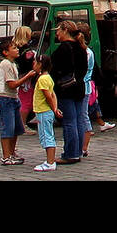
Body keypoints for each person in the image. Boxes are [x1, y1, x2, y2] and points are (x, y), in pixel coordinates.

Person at [50, 19, 87, 163]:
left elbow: (56, 70)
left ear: (65, 30)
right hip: (79, 87)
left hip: (66, 88)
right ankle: (77, 151)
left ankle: (70, 153)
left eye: (58, 30)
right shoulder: (81, 48)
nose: (57, 33)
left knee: (69, 121)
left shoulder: (63, 48)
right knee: (78, 121)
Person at [0, 37, 31, 165]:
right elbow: (12, 84)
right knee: (7, 128)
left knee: (15, 128)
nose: (17, 50)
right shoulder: (5, 63)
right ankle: (6, 156)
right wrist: (27, 76)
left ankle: (11, 152)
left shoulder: (13, 64)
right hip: (5, 98)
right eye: (14, 48)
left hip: (13, 98)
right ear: (5, 52)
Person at [32, 55, 60, 172]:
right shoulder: (48, 78)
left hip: (43, 111)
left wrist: (54, 108)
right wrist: (55, 108)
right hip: (45, 111)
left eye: (35, 62)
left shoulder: (42, 79)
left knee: (47, 136)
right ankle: (50, 161)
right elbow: (53, 94)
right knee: (47, 135)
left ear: (40, 64)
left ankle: (50, 162)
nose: (33, 64)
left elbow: (48, 96)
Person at [11, 25, 37, 128]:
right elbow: (29, 65)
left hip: (17, 76)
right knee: (26, 102)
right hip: (26, 79)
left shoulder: (14, 47)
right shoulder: (27, 50)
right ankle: (22, 124)